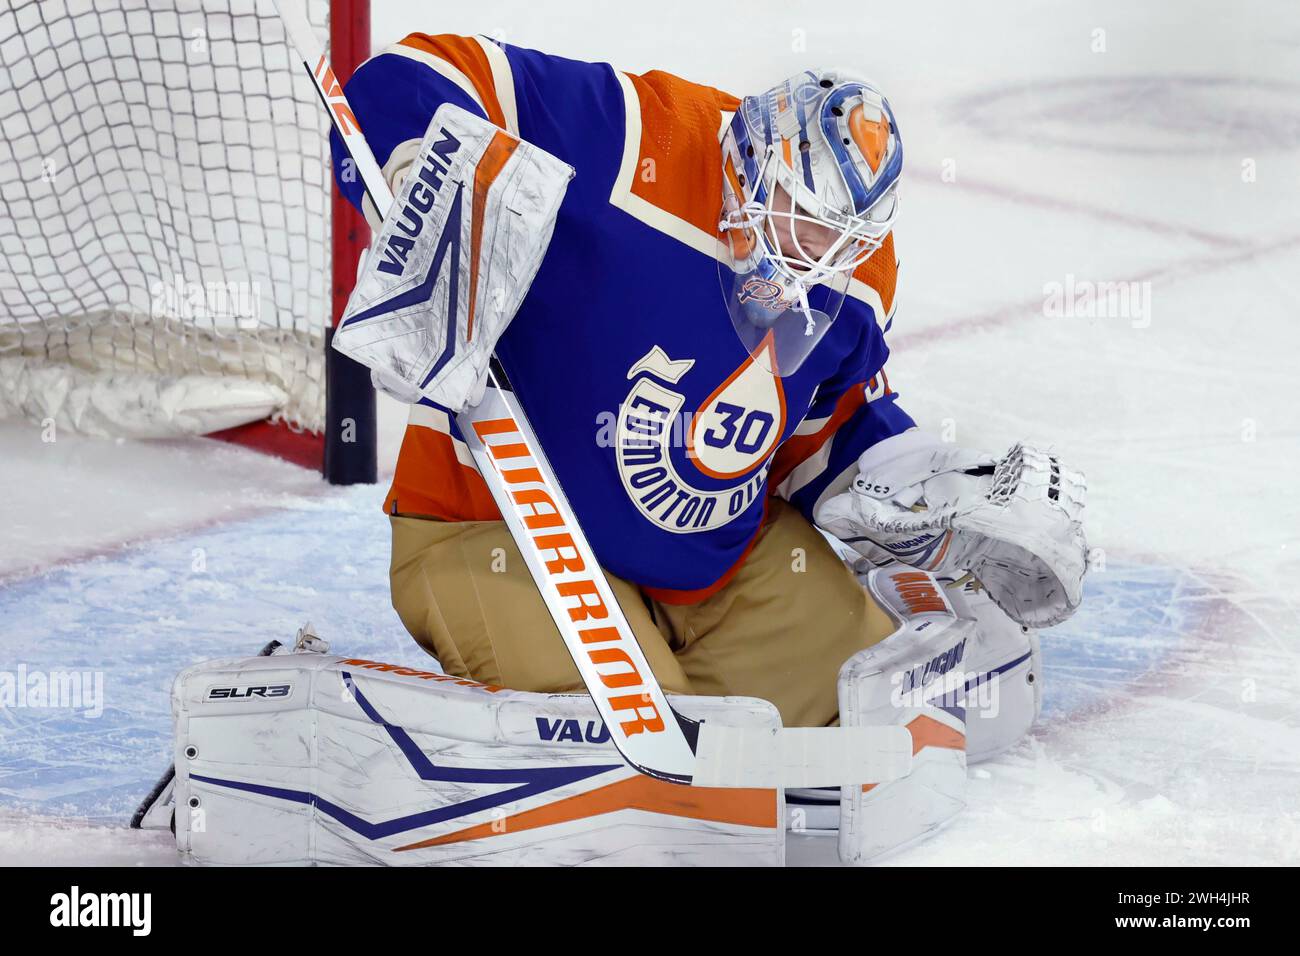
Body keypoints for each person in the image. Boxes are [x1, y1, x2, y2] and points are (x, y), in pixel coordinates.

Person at [330, 33, 1087, 808]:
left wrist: (926, 489)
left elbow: (814, 432)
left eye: (845, 238)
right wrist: (421, 198)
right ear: (755, 157)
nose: (815, 259)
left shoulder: (855, 277)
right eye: (801, 217)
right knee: (639, 765)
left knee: (874, 725)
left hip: (719, 563)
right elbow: (404, 76)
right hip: (494, 522)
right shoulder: (635, 139)